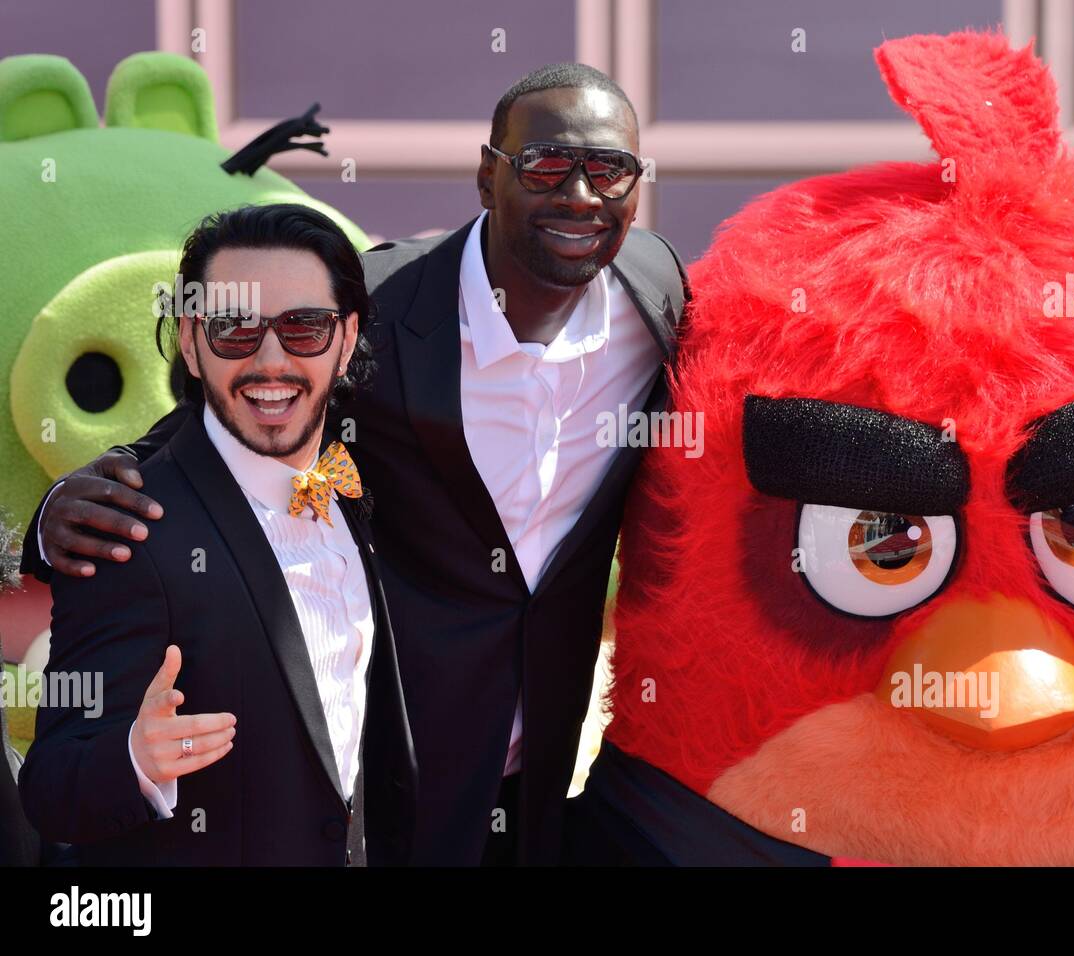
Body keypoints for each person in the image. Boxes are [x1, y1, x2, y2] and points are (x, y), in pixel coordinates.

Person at [21, 63, 688, 865]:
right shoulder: (380, 300)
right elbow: (230, 411)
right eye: (546, 164)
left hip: (546, 747)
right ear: (487, 173)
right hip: (395, 757)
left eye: (610, 169)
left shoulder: (659, 292)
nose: (581, 195)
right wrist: (74, 495)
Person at [19, 204, 416, 865]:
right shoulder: (130, 532)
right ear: (192, 342)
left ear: (346, 341)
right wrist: (134, 760)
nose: (270, 361)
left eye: (304, 328)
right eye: (234, 328)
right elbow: (56, 790)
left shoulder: (367, 479)